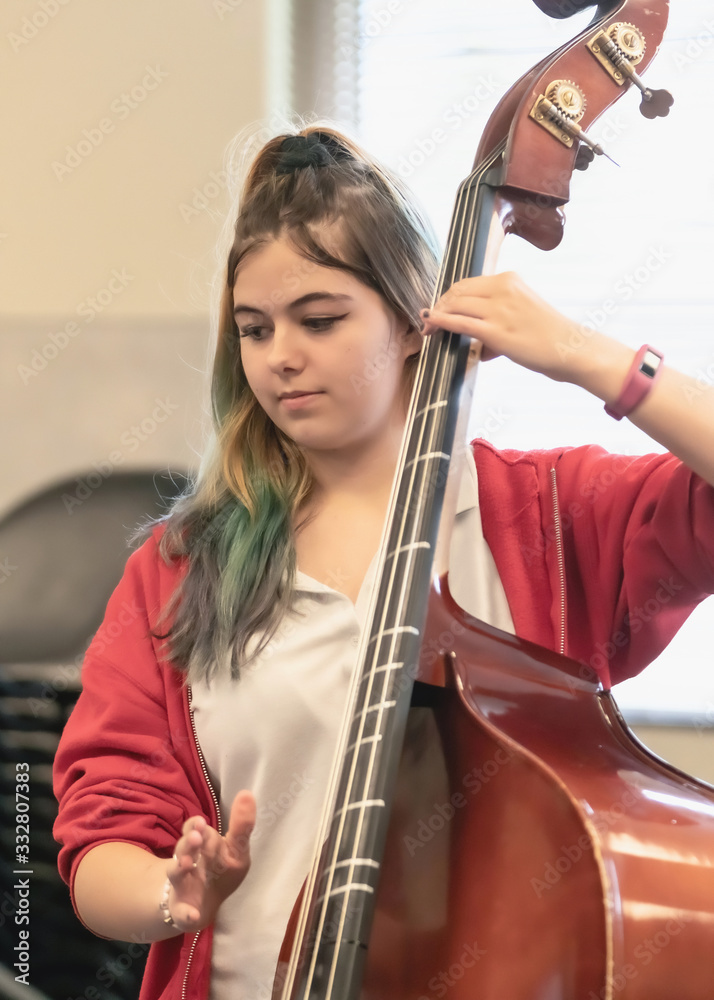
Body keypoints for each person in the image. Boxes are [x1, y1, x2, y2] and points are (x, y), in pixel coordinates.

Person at [53, 123, 714, 1000]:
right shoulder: (182, 568)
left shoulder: (553, 517)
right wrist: (168, 896)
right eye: (254, 330)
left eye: (320, 320)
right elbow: (101, 835)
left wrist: (592, 358)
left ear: (413, 322)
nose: (281, 356)